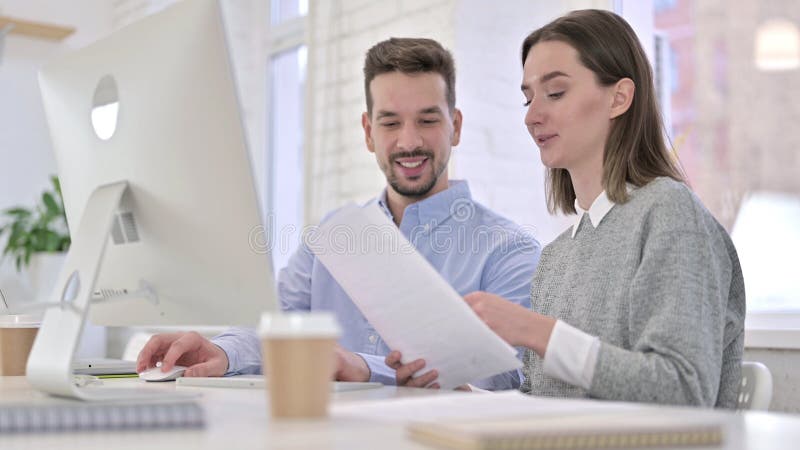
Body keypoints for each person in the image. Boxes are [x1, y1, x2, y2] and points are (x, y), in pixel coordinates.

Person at [136, 37, 541, 390]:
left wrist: (363, 367)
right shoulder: (331, 239)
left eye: (428, 120)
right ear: (368, 132)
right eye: (390, 122)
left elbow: (502, 378)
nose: (409, 140)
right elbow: (275, 324)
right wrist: (221, 352)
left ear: (455, 125)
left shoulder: (509, 252)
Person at [387, 10, 745, 407]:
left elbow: (682, 390)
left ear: (619, 97)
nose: (531, 115)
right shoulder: (556, 258)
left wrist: (537, 331)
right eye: (527, 98)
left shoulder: (670, 214)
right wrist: (459, 394)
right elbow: (546, 401)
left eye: (555, 93)